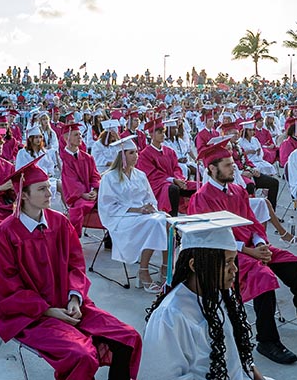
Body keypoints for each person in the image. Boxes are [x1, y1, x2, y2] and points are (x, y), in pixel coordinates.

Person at [189, 136, 297, 366]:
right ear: (212, 168)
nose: (234, 168)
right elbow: (210, 239)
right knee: (264, 277)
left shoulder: (237, 191)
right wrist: (250, 252)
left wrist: (260, 243)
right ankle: (266, 340)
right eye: (228, 165)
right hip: (224, 255)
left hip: (252, 248)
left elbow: (253, 223)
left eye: (233, 163)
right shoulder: (200, 199)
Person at [0, 159, 142, 380]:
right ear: (24, 195)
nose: (50, 193)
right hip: (30, 316)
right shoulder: (5, 234)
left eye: (49, 186)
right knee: (83, 355)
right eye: (42, 189)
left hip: (69, 304)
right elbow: (6, 287)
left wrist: (75, 298)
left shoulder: (59, 222)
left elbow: (76, 264)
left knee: (128, 337)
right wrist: (47, 310)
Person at [141, 211, 271, 380]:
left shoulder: (221, 294)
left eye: (234, 261)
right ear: (195, 265)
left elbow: (237, 358)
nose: (235, 269)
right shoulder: (170, 316)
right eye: (227, 263)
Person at [97, 137, 171, 293]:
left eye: (136, 152)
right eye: (131, 153)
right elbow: (108, 207)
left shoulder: (140, 175)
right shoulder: (109, 178)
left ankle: (166, 266)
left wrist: (150, 206)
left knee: (168, 221)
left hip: (143, 215)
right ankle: (143, 271)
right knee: (155, 223)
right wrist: (137, 210)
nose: (136, 156)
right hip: (121, 218)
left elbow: (149, 197)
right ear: (122, 156)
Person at [136, 117, 198, 216]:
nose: (163, 135)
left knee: (198, 186)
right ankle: (172, 221)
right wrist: (173, 180)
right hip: (157, 185)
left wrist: (179, 179)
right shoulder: (145, 154)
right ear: (151, 134)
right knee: (172, 189)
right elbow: (152, 175)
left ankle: (197, 215)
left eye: (163, 132)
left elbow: (176, 168)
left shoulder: (169, 151)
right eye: (159, 132)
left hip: (173, 182)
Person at [57, 122, 101, 230]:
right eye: (76, 134)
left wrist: (95, 190)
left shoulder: (87, 158)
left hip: (91, 193)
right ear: (67, 138)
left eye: (80, 134)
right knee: (79, 208)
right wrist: (83, 194)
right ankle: (73, 237)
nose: (80, 137)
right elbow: (71, 182)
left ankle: (110, 237)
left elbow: (95, 176)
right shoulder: (64, 159)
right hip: (76, 196)